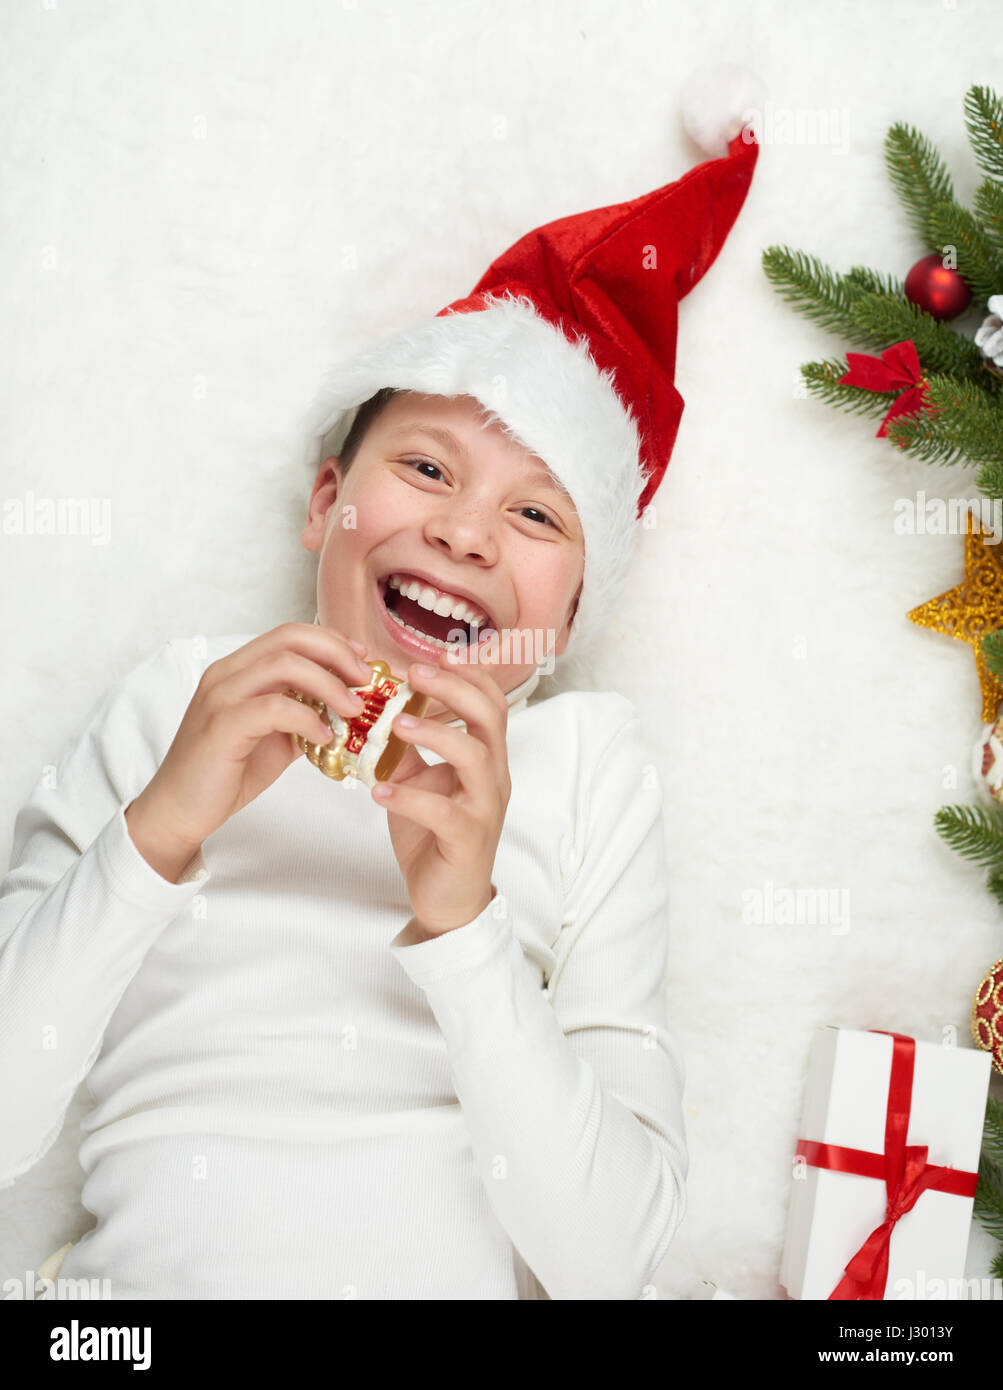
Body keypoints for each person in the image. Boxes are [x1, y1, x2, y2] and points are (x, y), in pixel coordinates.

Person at [0, 105, 758, 1300]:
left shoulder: (587, 770)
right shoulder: (171, 701)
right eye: (425, 467)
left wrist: (464, 925)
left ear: (566, 624)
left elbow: (611, 1266)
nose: (461, 529)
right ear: (322, 506)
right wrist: (155, 835)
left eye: (536, 513)